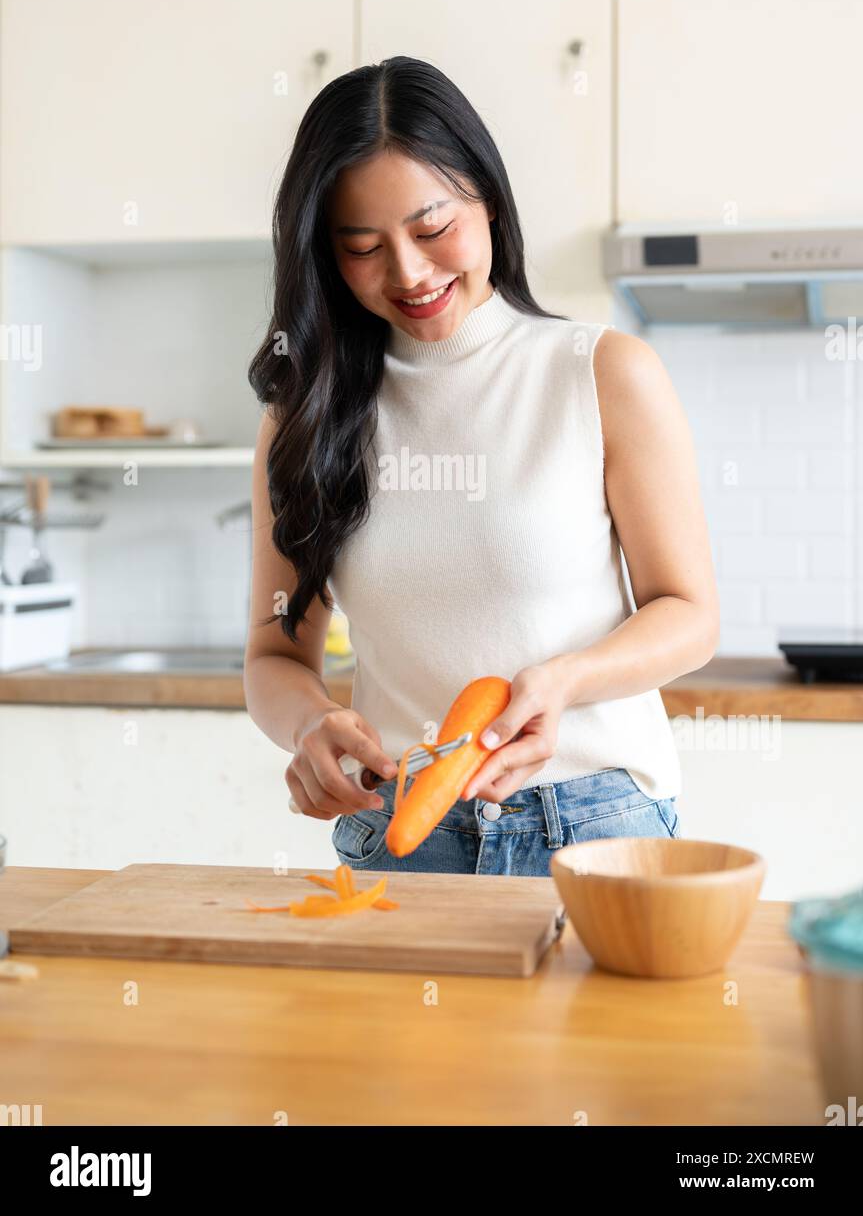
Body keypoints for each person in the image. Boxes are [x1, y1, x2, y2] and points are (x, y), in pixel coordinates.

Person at [244, 55, 719, 876]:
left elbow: (690, 613)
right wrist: (309, 724)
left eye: (433, 231)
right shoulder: (306, 417)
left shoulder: (601, 374)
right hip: (400, 832)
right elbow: (276, 656)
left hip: (593, 823)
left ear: (489, 199)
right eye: (363, 247)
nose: (410, 274)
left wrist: (567, 680)